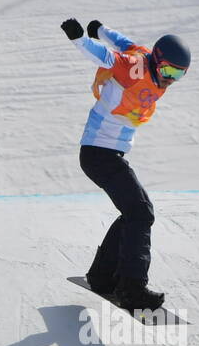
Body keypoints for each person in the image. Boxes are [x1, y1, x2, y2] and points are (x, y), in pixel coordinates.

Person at [61, 18, 191, 312]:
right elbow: (108, 56)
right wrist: (80, 39)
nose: (170, 79)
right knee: (141, 213)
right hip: (98, 152)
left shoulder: (147, 60)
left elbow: (123, 43)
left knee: (133, 212)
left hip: (109, 154)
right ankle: (132, 289)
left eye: (179, 75)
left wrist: (102, 30)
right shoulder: (134, 67)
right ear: (157, 63)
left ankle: (101, 277)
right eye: (168, 71)